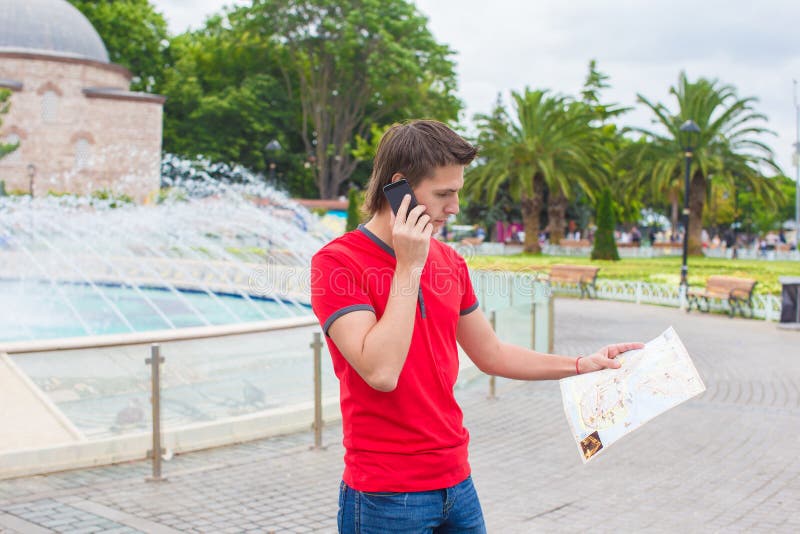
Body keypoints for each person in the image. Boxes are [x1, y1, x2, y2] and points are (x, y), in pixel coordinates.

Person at [310, 120, 643, 533]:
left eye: (457, 193)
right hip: (386, 496)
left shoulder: (450, 262)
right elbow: (381, 372)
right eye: (444, 194)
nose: (454, 207)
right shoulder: (337, 263)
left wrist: (580, 364)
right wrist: (408, 265)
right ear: (400, 188)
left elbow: (492, 354)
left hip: (457, 484)